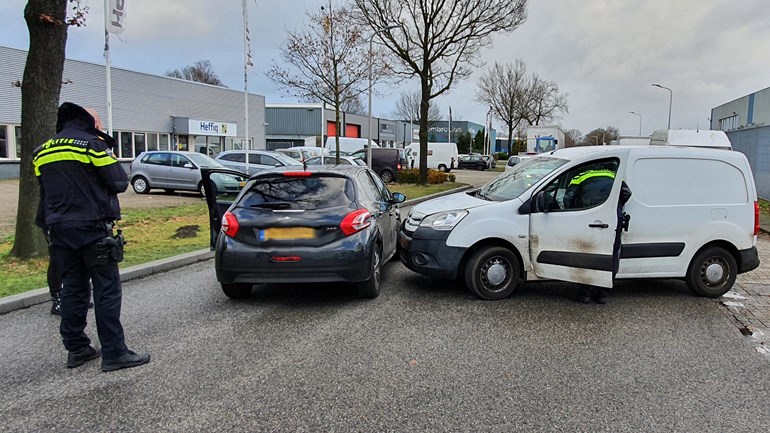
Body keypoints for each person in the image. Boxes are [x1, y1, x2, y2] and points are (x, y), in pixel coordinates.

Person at [33, 102, 150, 371]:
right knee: (107, 289)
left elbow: (45, 191)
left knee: (73, 287)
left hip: (59, 230)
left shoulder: (42, 151)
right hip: (92, 227)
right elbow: (119, 181)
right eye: (98, 123)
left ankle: (76, 349)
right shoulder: (91, 145)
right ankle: (115, 353)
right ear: (90, 122)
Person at [573, 177, 633, 304]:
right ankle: (602, 294)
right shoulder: (615, 176)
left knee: (589, 255)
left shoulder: (581, 176)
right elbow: (627, 193)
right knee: (611, 257)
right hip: (612, 219)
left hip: (588, 217)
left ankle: (585, 293)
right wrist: (618, 205)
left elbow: (569, 197)